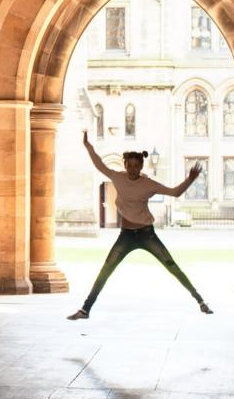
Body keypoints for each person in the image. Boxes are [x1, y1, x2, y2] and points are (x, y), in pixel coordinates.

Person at [67, 131, 212, 319]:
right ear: (125, 165)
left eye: (136, 166)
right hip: (126, 235)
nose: (133, 169)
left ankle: (201, 301)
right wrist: (88, 146)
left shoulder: (148, 184)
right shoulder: (118, 177)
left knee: (172, 266)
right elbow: (99, 164)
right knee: (106, 269)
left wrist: (190, 179)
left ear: (141, 166)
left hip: (146, 234)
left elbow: (175, 192)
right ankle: (85, 310)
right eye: (130, 165)